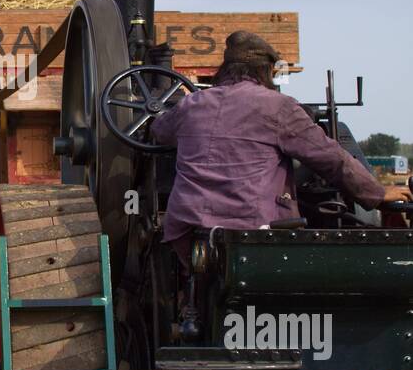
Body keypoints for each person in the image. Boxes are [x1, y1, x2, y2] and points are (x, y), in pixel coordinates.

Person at [150, 30, 386, 267]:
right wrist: (376, 195)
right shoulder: (279, 107)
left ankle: (194, 301)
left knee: (204, 285)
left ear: (224, 69)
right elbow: (331, 158)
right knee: (256, 293)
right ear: (266, 70)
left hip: (189, 229)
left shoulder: (191, 104)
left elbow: (158, 131)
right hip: (253, 231)